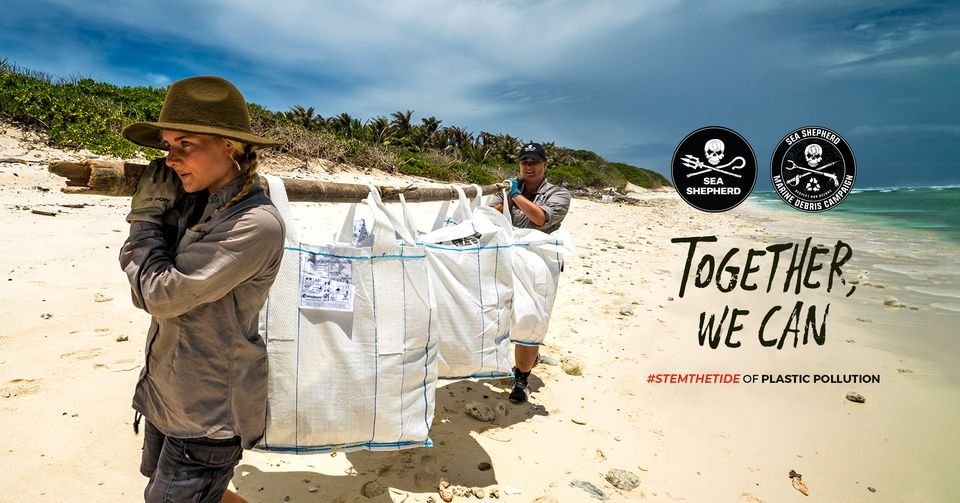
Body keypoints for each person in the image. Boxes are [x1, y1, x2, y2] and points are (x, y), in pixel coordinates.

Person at [118, 76, 285, 503]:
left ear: (229, 145)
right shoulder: (197, 202)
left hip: (207, 412)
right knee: (170, 488)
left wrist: (145, 218)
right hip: (166, 390)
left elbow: (159, 293)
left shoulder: (253, 224)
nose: (171, 158)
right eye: (167, 145)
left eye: (185, 144)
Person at [489, 142, 572, 404]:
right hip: (507, 260)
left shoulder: (559, 194)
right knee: (499, 312)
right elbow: (490, 216)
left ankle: (522, 378)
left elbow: (540, 218)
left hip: (540, 265)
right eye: (524, 161)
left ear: (545, 164)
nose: (529, 166)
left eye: (534, 161)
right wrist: (503, 198)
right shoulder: (505, 189)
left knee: (531, 318)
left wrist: (514, 196)